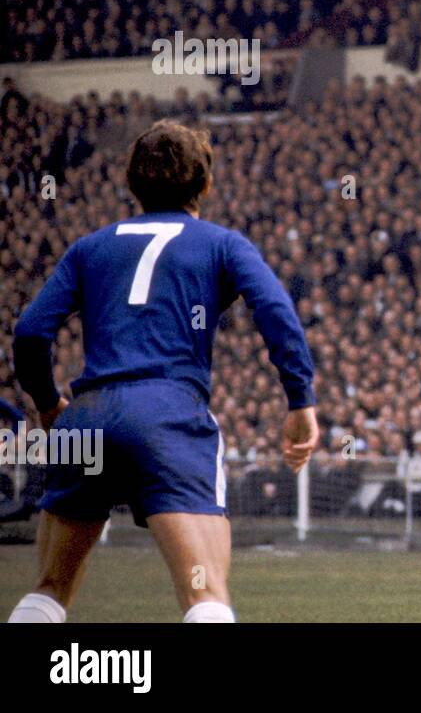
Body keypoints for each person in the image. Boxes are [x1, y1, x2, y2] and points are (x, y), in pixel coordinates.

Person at [7, 120, 319, 623]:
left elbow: (29, 333)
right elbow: (276, 312)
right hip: (167, 416)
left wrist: (49, 406)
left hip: (87, 418)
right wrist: (300, 400)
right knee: (206, 593)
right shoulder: (223, 243)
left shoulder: (89, 247)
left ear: (132, 183)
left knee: (48, 590)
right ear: (206, 184)